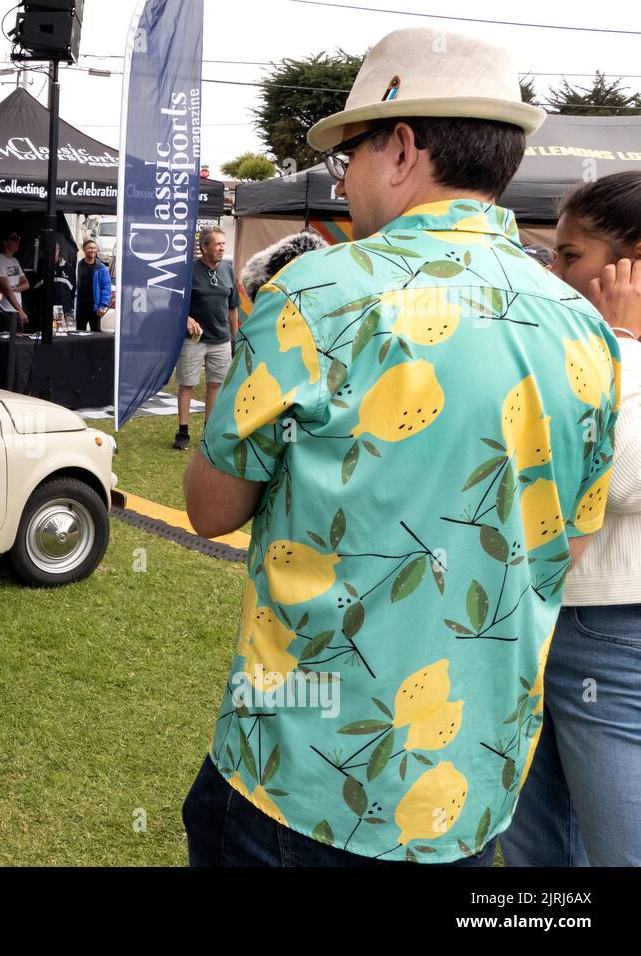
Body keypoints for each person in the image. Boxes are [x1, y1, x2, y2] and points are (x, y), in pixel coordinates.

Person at [179, 27, 619, 866]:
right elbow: (569, 537)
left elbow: (208, 508)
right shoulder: (584, 328)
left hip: (301, 772)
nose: (341, 181)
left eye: (347, 155)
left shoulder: (320, 290)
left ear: (403, 147)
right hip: (469, 785)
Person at [500, 171, 641, 867]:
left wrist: (623, 339)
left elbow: (617, 476)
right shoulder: (581, 340)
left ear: (632, 264)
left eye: (570, 255)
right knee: (537, 839)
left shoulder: (617, 347)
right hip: (560, 613)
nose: (553, 271)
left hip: (615, 629)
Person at [173, 228, 239, 450]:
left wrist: (235, 337)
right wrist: (186, 318)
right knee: (187, 383)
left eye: (223, 244)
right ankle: (183, 432)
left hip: (221, 339)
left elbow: (232, 308)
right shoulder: (189, 271)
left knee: (216, 384)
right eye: (218, 244)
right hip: (194, 340)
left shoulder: (228, 270)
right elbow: (175, 303)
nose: (222, 248)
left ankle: (208, 432)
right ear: (204, 247)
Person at [0, 232, 31, 353]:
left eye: (18, 238)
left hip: (15, 311)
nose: (17, 241)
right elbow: (4, 287)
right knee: (6, 349)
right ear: (4, 242)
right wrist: (20, 311)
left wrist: (13, 288)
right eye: (14, 239)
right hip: (4, 311)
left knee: (17, 347)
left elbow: (26, 284)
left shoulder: (15, 261)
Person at [74, 239, 112, 332]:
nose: (92, 250)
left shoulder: (101, 268)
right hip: (80, 307)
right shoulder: (78, 266)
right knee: (79, 333)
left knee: (96, 333)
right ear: (84, 249)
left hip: (95, 308)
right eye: (90, 248)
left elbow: (106, 288)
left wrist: (102, 305)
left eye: (94, 248)